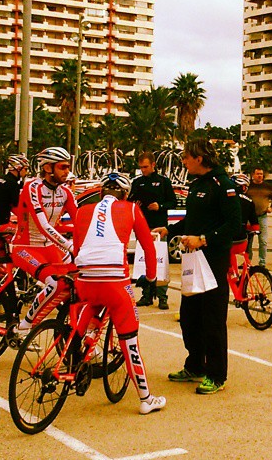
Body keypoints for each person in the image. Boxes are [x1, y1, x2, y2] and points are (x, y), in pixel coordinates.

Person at [73, 172, 165, 415]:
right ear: (125, 194)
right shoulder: (132, 209)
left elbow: (77, 247)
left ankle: (77, 347)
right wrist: (152, 278)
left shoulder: (83, 211)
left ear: (101, 192)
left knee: (91, 302)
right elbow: (148, 246)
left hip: (84, 277)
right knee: (129, 337)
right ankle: (146, 399)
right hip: (115, 281)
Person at [164, 138, 241, 395]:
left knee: (213, 319)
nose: (184, 161)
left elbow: (233, 225)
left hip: (213, 261)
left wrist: (205, 240)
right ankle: (195, 364)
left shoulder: (224, 186)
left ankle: (216, 374)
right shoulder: (197, 184)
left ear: (199, 158)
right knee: (189, 317)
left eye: (186, 157)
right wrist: (169, 230)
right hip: (192, 260)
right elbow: (192, 220)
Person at [11, 147, 78, 336]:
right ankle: (24, 326)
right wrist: (71, 246)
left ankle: (76, 332)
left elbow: (81, 221)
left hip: (50, 247)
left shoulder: (65, 192)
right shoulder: (32, 188)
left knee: (76, 282)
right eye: (63, 167)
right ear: (48, 168)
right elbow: (43, 226)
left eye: (68, 167)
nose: (67, 171)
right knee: (55, 284)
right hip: (25, 246)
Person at [129, 151, 177, 310]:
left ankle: (162, 296)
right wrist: (135, 203)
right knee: (143, 262)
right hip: (142, 226)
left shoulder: (163, 182)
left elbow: (173, 202)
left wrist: (160, 206)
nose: (143, 170)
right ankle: (146, 294)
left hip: (158, 228)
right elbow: (129, 201)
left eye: (146, 167)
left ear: (153, 165)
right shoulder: (137, 182)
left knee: (160, 262)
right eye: (141, 167)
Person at [0, 154, 29, 256]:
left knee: (4, 254)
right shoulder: (12, 184)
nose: (26, 172)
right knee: (24, 238)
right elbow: (16, 208)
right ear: (18, 168)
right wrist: (30, 219)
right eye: (25, 169)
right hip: (0, 223)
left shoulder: (0, 179)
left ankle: (4, 269)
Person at [246, 167, 272, 267]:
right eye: (257, 174)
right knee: (248, 241)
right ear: (253, 175)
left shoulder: (268, 187)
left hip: (262, 216)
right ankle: (247, 261)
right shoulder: (248, 186)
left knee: (263, 241)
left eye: (261, 174)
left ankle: (262, 262)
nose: (260, 176)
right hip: (250, 218)